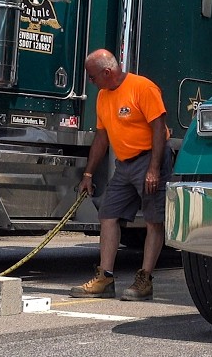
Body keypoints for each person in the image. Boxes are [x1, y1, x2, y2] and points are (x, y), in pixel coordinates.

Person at [69, 49, 172, 301]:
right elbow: (101, 137)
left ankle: (144, 280)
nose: (91, 82)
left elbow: (159, 128)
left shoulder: (142, 88)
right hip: (124, 164)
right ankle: (105, 278)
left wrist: (154, 168)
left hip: (150, 158)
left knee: (153, 221)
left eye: (92, 77)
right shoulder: (103, 96)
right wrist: (88, 174)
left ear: (107, 72)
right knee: (108, 214)